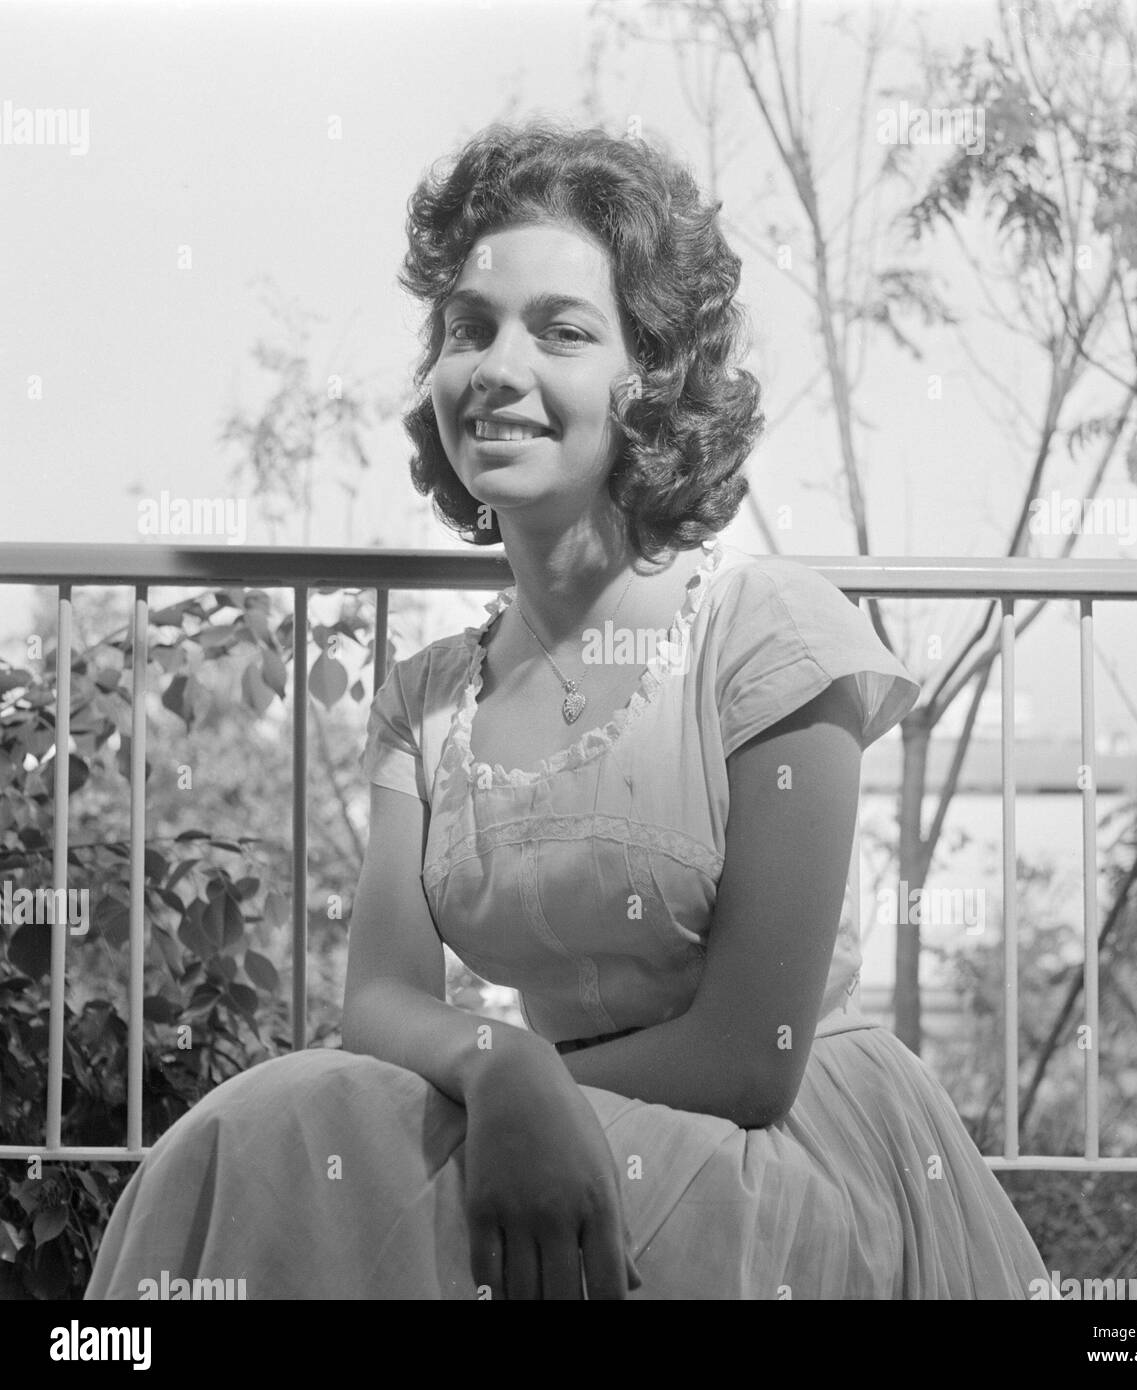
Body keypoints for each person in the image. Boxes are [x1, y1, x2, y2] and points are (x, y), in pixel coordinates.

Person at [87, 119, 1048, 1300]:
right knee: (268, 1126)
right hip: (542, 1117)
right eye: (468, 327)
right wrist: (501, 1071)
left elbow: (758, 1057)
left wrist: (529, 1084)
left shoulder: (765, 638)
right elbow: (380, 1000)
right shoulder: (429, 700)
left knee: (305, 1137)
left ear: (650, 379)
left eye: (562, 330)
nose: (497, 366)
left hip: (776, 1167)